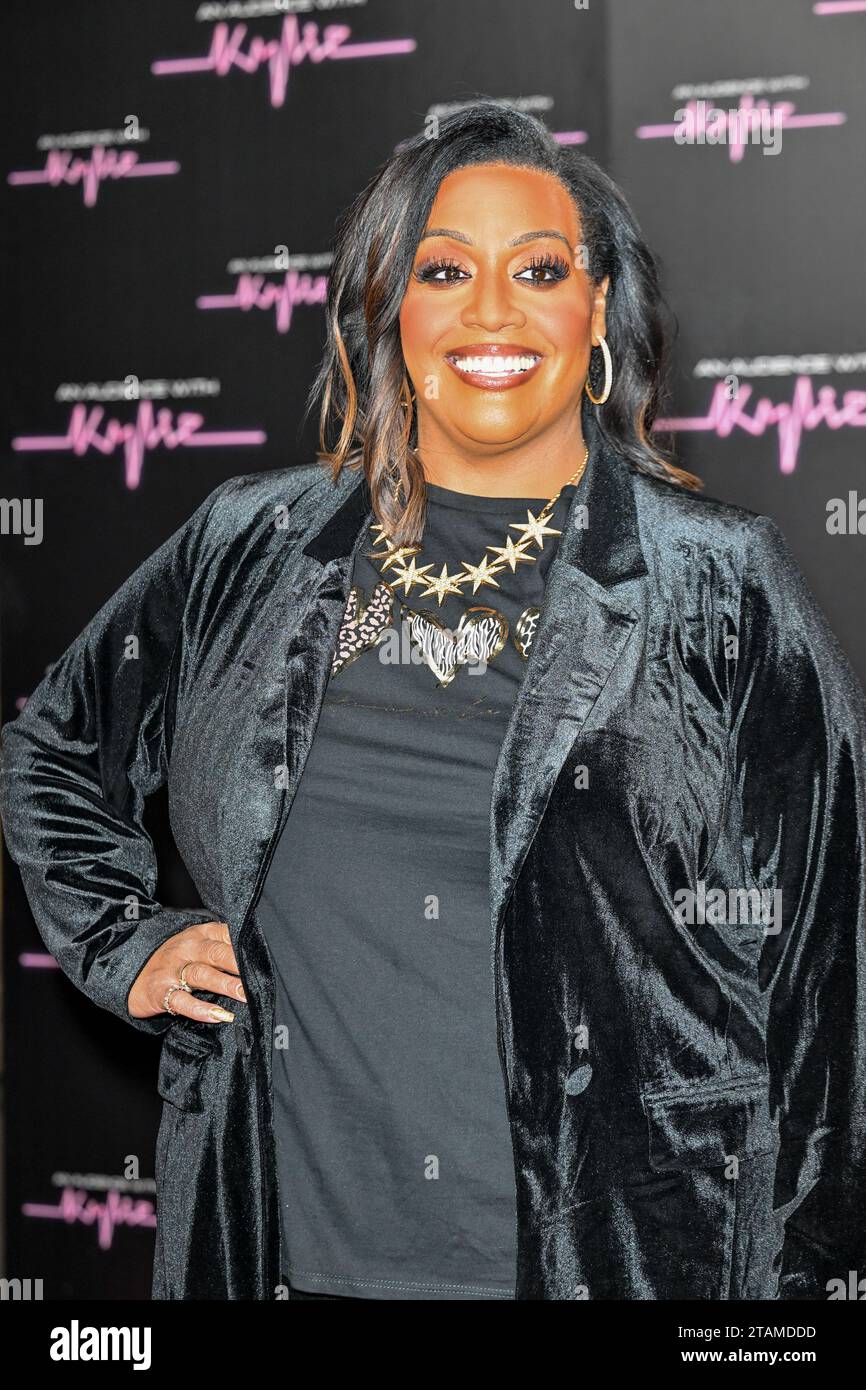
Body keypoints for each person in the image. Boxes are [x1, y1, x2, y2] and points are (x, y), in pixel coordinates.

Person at [1, 101, 865, 1301]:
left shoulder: (717, 580)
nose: (492, 312)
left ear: (597, 311)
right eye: (444, 269)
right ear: (388, 313)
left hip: (616, 1256)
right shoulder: (251, 545)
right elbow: (51, 741)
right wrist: (120, 940)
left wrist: (806, 1284)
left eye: (539, 270)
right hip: (283, 1254)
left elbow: (835, 958)